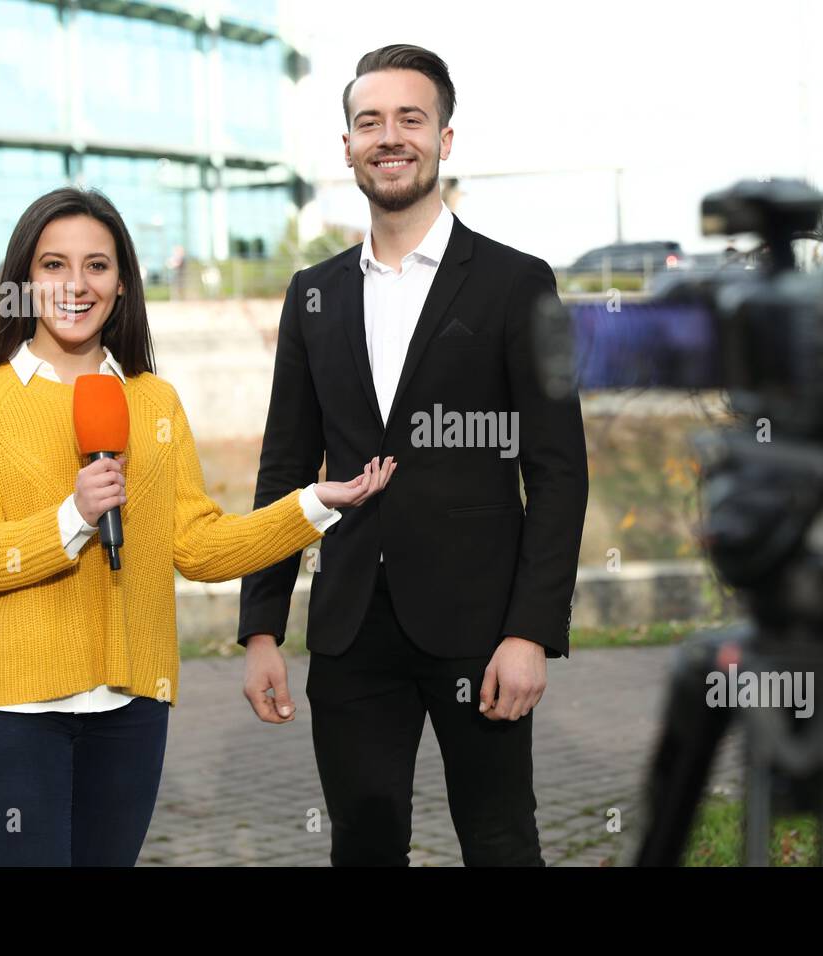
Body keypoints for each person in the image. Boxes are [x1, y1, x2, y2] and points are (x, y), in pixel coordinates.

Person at [0, 186, 394, 866]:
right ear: (25, 281)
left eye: (97, 265)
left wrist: (313, 505)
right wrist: (74, 516)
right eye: (53, 265)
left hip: (131, 707)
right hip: (13, 713)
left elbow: (198, 545)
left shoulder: (154, 402)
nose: (75, 283)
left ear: (121, 285)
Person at [238, 44, 588, 866]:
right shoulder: (312, 292)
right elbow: (283, 467)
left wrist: (532, 632)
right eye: (369, 122)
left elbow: (558, 470)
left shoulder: (517, 283)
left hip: (483, 628)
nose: (388, 137)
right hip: (351, 626)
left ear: (445, 138)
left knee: (502, 841)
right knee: (362, 844)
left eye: (409, 119)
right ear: (349, 146)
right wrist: (262, 626)